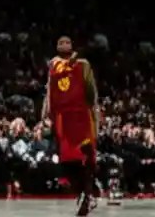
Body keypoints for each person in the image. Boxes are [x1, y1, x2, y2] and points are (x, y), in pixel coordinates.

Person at [42, 37, 101, 216]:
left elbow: (91, 92)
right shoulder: (57, 67)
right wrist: (46, 115)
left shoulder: (77, 65)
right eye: (62, 42)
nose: (65, 44)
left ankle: (88, 194)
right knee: (75, 161)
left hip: (76, 117)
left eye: (67, 42)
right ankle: (88, 192)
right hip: (70, 118)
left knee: (81, 159)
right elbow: (50, 92)